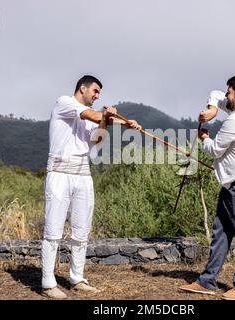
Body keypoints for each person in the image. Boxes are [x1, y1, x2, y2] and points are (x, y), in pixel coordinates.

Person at [41, 75, 141, 299]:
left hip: (83, 174)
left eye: (98, 94)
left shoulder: (91, 118)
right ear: (82, 88)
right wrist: (111, 117)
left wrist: (126, 123)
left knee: (81, 230)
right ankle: (48, 283)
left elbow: (97, 137)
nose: (97, 96)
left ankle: (77, 279)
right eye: (95, 91)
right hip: (59, 173)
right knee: (53, 230)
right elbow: (95, 115)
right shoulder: (64, 103)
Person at [179, 75, 235, 300]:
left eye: (230, 93)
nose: (226, 96)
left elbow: (215, 150)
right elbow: (217, 95)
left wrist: (204, 137)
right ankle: (207, 282)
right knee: (221, 235)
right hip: (233, 187)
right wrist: (211, 109)